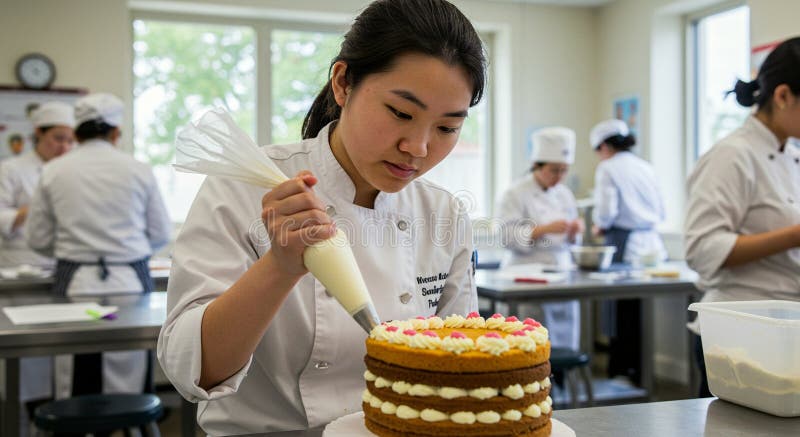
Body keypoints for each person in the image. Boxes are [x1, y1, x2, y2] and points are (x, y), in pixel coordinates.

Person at [157, 0, 484, 433]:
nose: (419, 148)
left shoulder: (442, 212)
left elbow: (461, 359)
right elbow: (192, 371)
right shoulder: (248, 185)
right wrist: (279, 266)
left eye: (447, 128)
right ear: (344, 83)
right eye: (401, 113)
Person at [25, 93, 171, 397]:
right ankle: (130, 423)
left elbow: (37, 238)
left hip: (75, 280)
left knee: (75, 365)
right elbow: (159, 232)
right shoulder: (138, 169)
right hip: (130, 280)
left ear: (77, 133)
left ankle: (79, 425)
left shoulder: (54, 170)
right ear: (116, 132)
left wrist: (75, 251)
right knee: (131, 362)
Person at [684, 36, 800, 398]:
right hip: (738, 336)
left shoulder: (791, 153)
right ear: (782, 96)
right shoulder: (732, 156)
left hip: (783, 332)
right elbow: (702, 248)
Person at [0, 101, 74, 410]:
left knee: (60, 358)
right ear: (38, 134)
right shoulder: (11, 169)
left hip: (61, 272)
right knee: (27, 361)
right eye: (58, 138)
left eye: (70, 140)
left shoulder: (69, 172)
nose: (64, 146)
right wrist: (32, 210)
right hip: (19, 273)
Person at [589, 118, 666, 385]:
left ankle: (621, 369)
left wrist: (599, 226)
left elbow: (606, 212)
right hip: (652, 246)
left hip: (624, 242)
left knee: (620, 309)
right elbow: (661, 210)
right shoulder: (645, 167)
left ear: (605, 146)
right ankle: (638, 371)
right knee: (640, 309)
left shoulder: (608, 168)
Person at [496, 127, 581, 350]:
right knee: (530, 346)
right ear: (537, 165)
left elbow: (571, 242)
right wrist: (543, 229)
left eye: (564, 171)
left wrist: (573, 232)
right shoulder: (515, 193)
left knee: (563, 344)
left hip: (561, 273)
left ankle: (562, 384)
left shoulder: (564, 194)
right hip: (526, 273)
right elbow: (506, 236)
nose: (559, 177)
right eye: (554, 170)